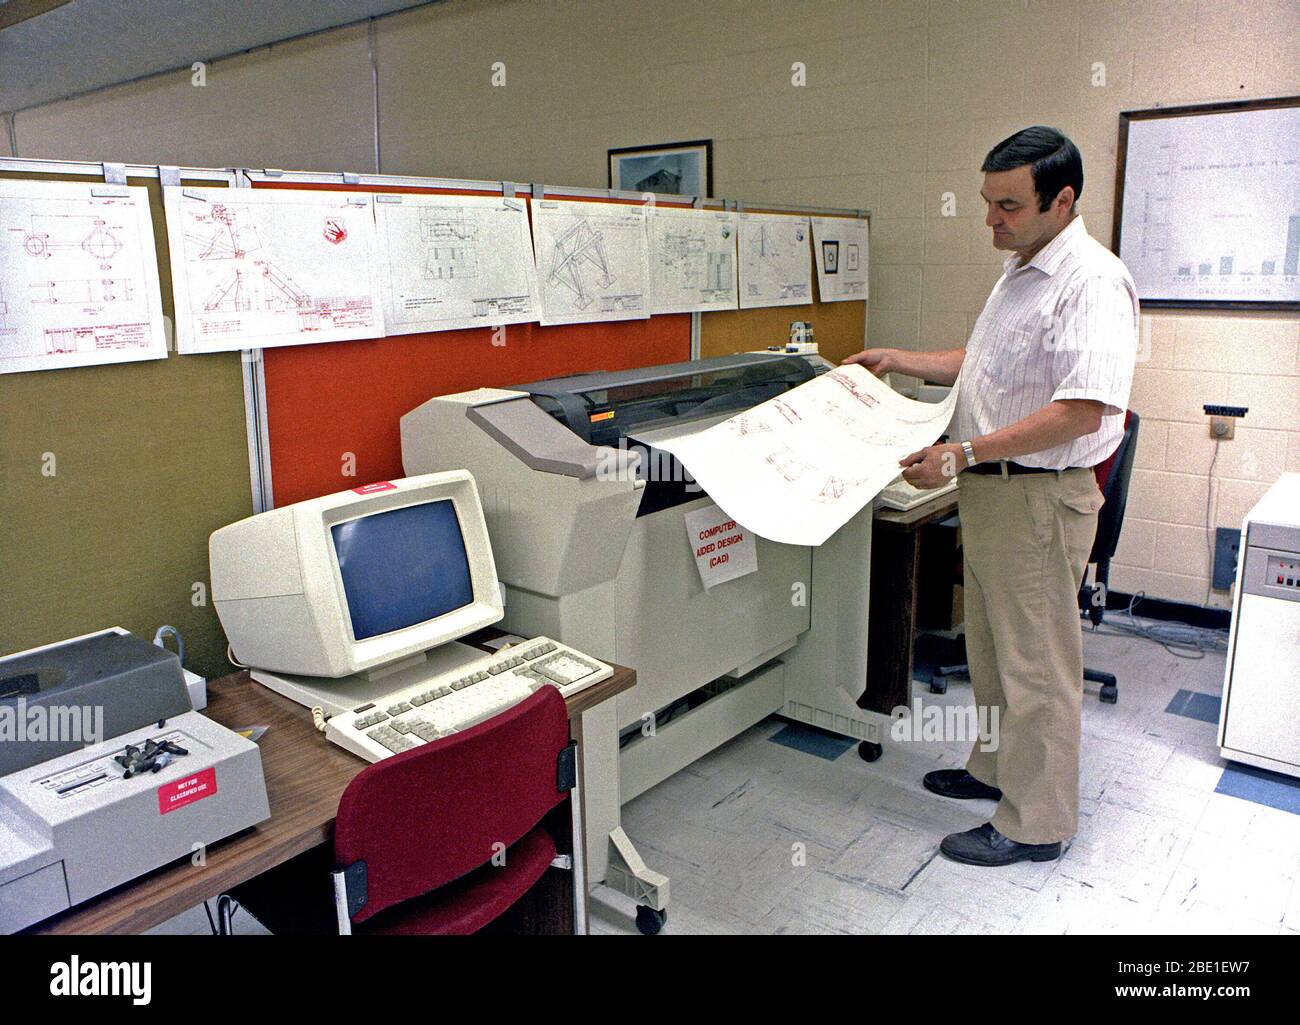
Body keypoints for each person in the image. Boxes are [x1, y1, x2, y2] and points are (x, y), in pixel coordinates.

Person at [844, 126, 1138, 866]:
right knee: (997, 652)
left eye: (1008, 204)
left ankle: (1037, 822)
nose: (991, 220)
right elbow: (984, 366)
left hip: (1037, 497)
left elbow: (1083, 408)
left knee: (1036, 667)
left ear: (1061, 199)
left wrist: (962, 453)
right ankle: (994, 771)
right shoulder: (1023, 266)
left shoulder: (1091, 282)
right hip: (997, 492)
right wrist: (897, 357)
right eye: (987, 202)